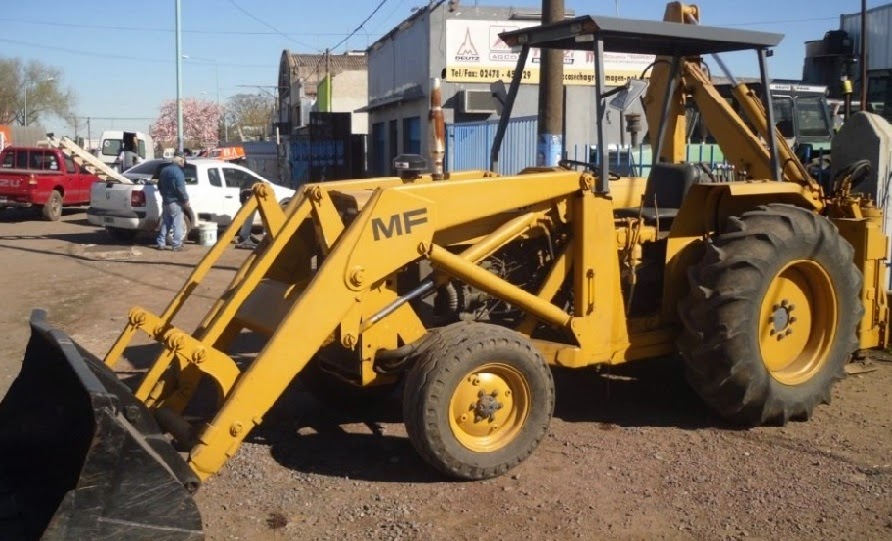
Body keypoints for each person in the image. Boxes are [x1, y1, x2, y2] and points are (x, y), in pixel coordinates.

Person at [155, 151, 190, 251]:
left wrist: (164, 195)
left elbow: (159, 185)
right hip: (175, 201)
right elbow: (180, 188)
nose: (184, 163)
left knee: (166, 222)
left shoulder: (164, 170)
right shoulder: (178, 172)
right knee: (177, 223)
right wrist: (186, 199)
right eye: (183, 161)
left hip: (166, 200)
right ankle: (176, 245)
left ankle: (161, 243)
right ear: (180, 160)